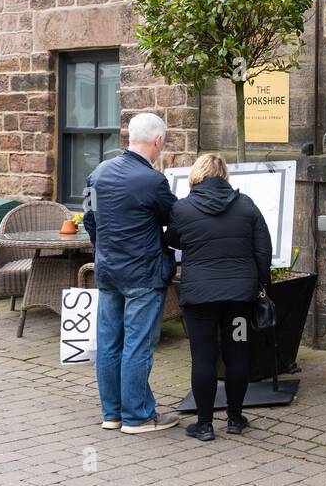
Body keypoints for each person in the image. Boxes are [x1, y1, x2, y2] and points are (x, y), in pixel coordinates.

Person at [164, 152, 272, 442]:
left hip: (199, 299)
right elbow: (263, 250)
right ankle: (235, 419)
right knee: (237, 353)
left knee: (203, 357)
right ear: (224, 176)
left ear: (196, 175)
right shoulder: (246, 205)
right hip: (238, 297)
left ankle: (204, 424)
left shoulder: (182, 209)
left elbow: (171, 239)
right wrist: (262, 285)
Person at [83, 112, 179, 434]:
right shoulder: (153, 181)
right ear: (157, 141)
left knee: (109, 344)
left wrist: (103, 250)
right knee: (137, 345)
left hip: (108, 271)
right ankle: (137, 416)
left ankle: (111, 414)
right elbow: (174, 219)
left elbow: (89, 220)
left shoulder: (97, 173)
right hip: (143, 274)